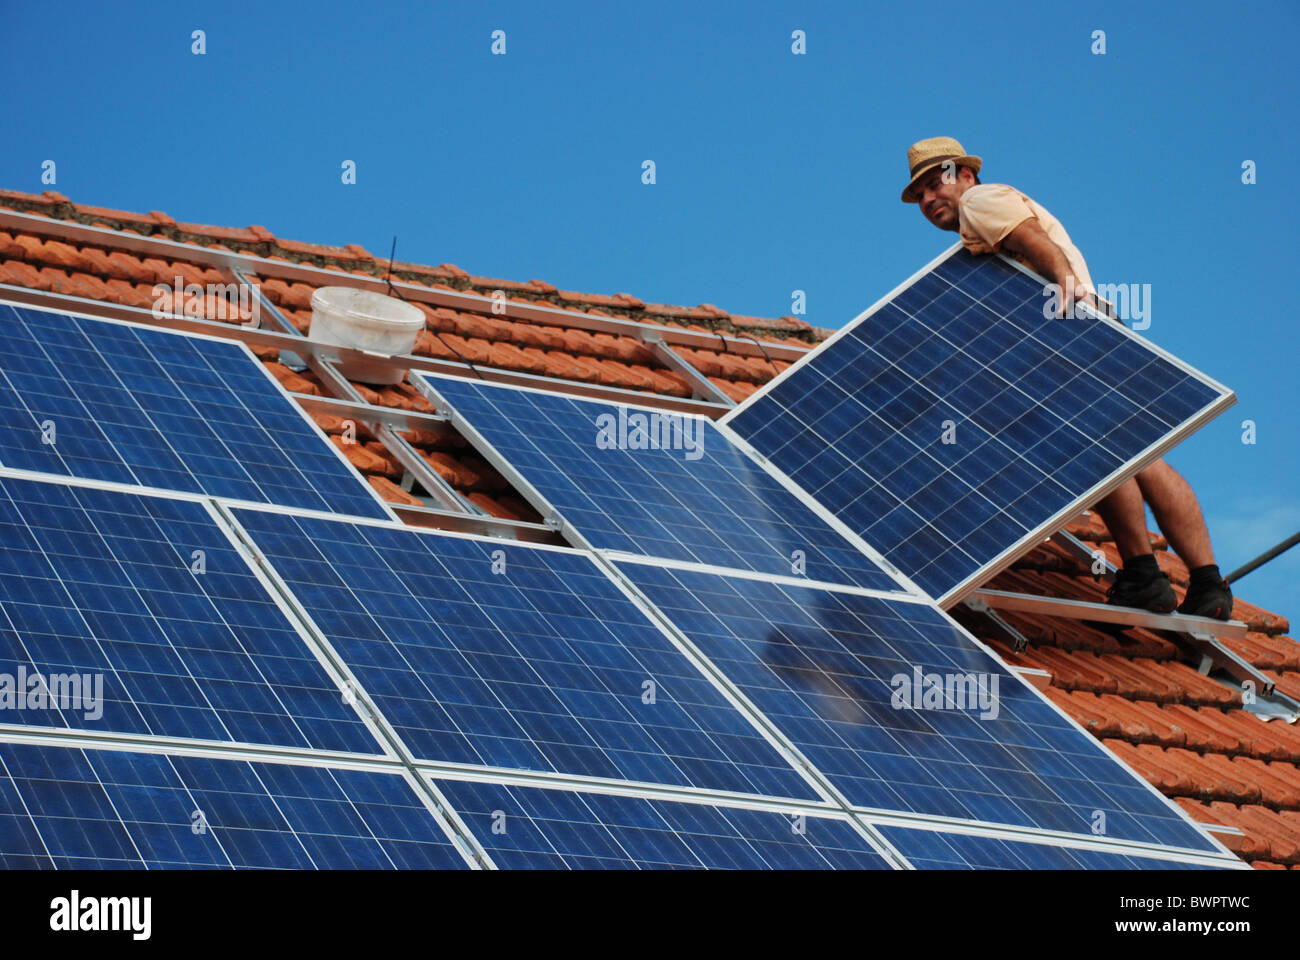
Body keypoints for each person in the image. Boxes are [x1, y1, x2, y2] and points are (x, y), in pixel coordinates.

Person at [900, 136, 1232, 619]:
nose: (930, 199)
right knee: (1132, 456)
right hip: (1085, 328)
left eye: (937, 183)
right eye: (921, 194)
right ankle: (1196, 583)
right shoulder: (981, 218)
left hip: (1071, 330)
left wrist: (1067, 297)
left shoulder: (980, 201)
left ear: (965, 176)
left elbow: (1035, 240)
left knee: (1113, 457)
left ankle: (1149, 575)